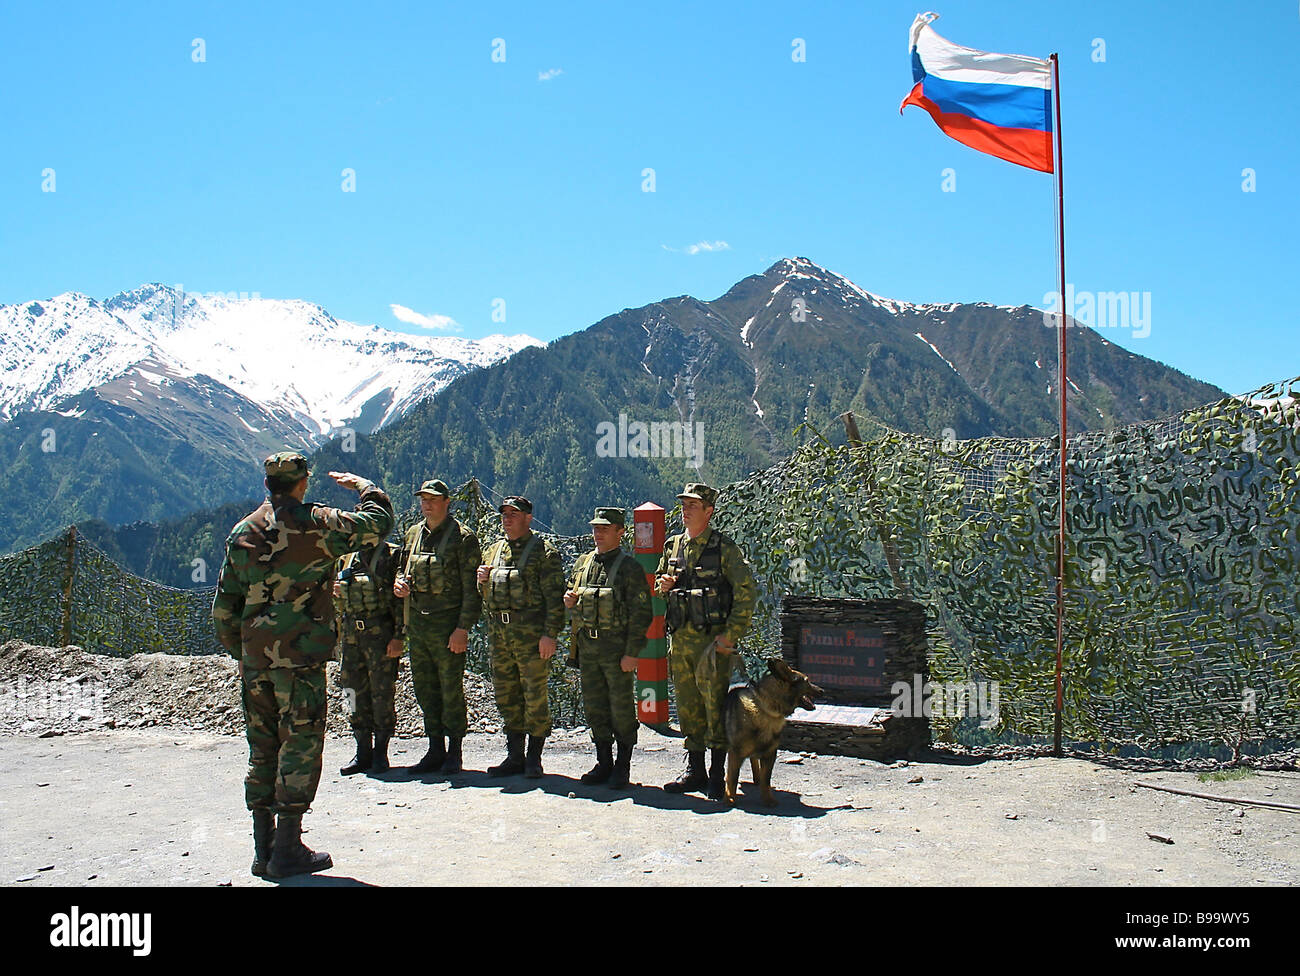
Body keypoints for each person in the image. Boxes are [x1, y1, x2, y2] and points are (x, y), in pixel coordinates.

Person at [212, 453, 394, 879]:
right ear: (302, 483)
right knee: (300, 745)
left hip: (257, 662)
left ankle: (264, 848)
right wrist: (366, 487)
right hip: (301, 657)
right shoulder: (316, 523)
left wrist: (246, 653)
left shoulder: (243, 532)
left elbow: (224, 610)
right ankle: (289, 848)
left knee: (263, 748)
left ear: (267, 484)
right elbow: (377, 524)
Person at [654, 483, 757, 800]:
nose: (686, 510)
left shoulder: (723, 549)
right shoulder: (673, 546)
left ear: (709, 511)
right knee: (687, 708)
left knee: (714, 709)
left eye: (693, 506)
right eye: (684, 504)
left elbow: (746, 594)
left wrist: (730, 636)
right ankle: (694, 770)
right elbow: (658, 585)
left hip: (712, 644)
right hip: (680, 641)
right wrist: (664, 583)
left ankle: (716, 775)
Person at [391, 479, 483, 774]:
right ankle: (434, 748)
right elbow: (401, 569)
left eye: (433, 499)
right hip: (418, 624)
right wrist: (399, 584)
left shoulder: (462, 538)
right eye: (423, 499)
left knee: (450, 688)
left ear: (447, 502)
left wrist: (463, 628)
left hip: (447, 625)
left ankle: (454, 751)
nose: (426, 504)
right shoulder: (412, 534)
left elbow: (472, 589)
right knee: (424, 687)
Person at [475, 496, 565, 778]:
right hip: (500, 636)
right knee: (506, 694)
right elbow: (488, 595)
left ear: (528, 518)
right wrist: (481, 582)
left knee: (534, 696)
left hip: (531, 636)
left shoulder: (543, 553)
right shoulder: (494, 551)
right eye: (504, 513)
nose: (508, 518)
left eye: (515, 514)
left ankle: (534, 758)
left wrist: (550, 634)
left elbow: (555, 599)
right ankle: (514, 755)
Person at [564, 507, 653, 788]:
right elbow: (572, 593)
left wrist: (632, 652)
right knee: (596, 707)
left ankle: (622, 765)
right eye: (595, 528)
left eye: (605, 528)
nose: (598, 533)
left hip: (616, 652)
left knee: (621, 708)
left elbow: (642, 614)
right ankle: (603, 762)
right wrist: (569, 600)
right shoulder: (583, 563)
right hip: (588, 649)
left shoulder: (629, 568)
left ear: (620, 532)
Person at [332, 538, 404, 776]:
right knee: (352, 692)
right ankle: (362, 750)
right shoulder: (347, 555)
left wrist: (398, 636)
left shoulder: (392, 555)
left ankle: (381, 752)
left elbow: (400, 600)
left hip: (380, 635)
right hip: (351, 636)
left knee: (382, 692)